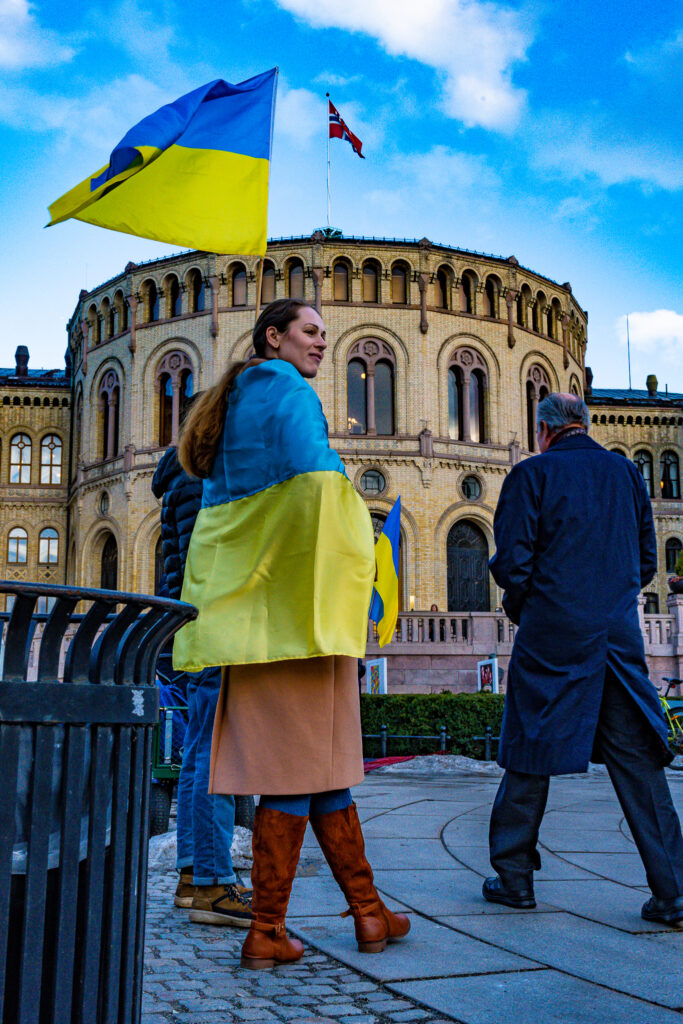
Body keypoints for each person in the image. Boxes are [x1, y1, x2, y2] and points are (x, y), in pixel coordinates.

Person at [173, 299, 410, 969]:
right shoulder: (285, 391)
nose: (321, 344)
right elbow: (320, 492)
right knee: (294, 773)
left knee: (323, 770)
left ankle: (366, 912)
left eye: (324, 335)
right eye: (310, 331)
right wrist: (362, 568)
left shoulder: (237, 404)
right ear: (272, 336)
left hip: (255, 614)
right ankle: (267, 929)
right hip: (300, 617)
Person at [484, 392, 683, 926]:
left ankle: (513, 878)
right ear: (584, 425)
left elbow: (513, 563)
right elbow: (646, 562)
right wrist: (606, 600)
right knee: (638, 763)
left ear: (544, 429)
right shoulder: (626, 475)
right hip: (616, 639)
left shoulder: (532, 475)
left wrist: (534, 606)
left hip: (552, 636)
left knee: (528, 754)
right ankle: (674, 893)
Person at [152, 443, 252, 928]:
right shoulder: (203, 475)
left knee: (198, 752)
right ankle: (214, 882)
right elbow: (217, 556)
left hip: (189, 628)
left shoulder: (176, 478)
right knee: (216, 752)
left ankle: (194, 878)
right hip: (216, 621)